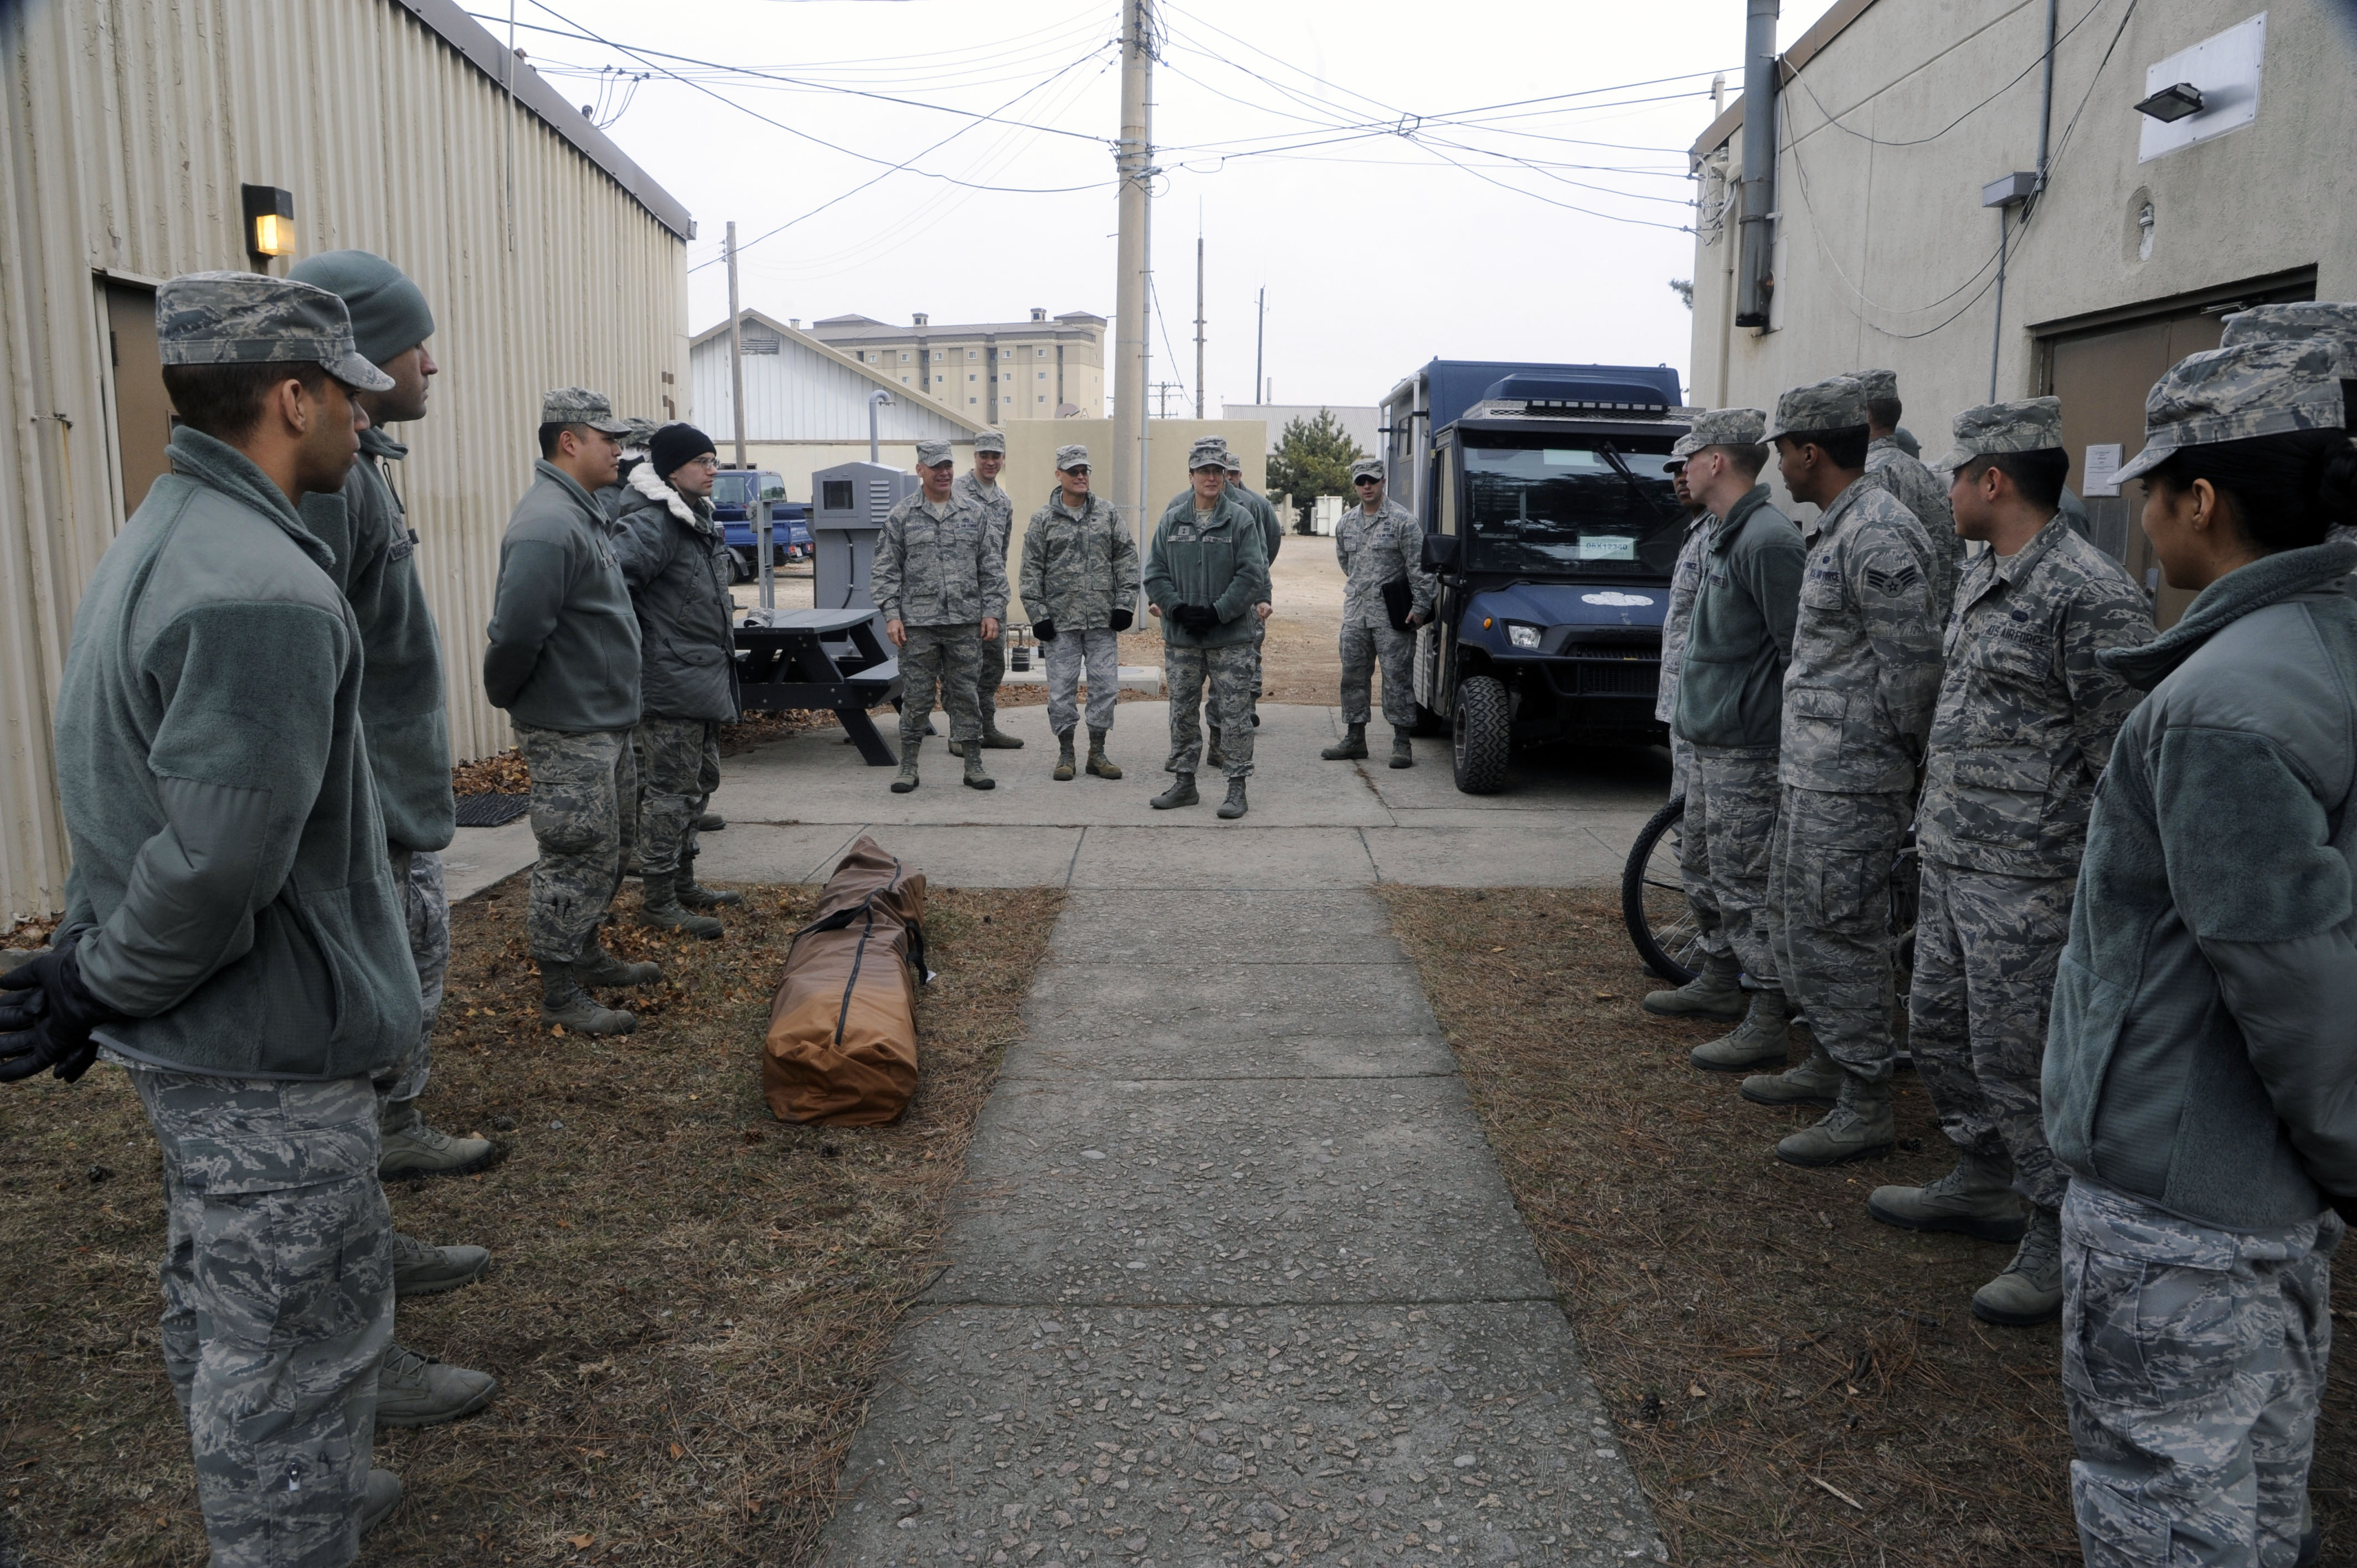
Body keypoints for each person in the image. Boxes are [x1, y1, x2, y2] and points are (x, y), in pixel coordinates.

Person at [1, 271, 418, 1561]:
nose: (367, 417)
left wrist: (93, 968)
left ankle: (293, 1491)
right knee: (290, 1350)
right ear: (293, 398)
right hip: (263, 1049)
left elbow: (129, 791)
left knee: (227, 1310)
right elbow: (215, 859)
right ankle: (289, 1517)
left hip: (206, 1036)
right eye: (349, 394)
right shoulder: (260, 589)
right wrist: (100, 977)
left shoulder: (173, 530)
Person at [2042, 338, 2357, 1568]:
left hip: (2183, 1192)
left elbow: (2287, 970)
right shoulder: (2318, 653)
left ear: (2203, 500)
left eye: (2151, 493)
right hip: (2266, 1186)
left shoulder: (2227, 698)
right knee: (2258, 1488)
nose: (2143, 520)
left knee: (2166, 1503)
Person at [1866, 397, 2151, 1328]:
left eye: (1955, 473)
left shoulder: (2089, 591)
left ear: (1994, 480)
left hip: (2032, 881)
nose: (1942, 487)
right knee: (1941, 1030)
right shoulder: (1981, 570)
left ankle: (2053, 1222)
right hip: (1954, 856)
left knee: (2018, 1057)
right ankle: (1983, 1177)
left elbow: (2121, 756)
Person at [283, 251, 500, 1436]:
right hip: (357, 833)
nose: (432, 362)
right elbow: (312, 684)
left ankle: (378, 1224)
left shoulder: (360, 466)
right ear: (361, 352)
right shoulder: (323, 482)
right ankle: (359, 1348)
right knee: (346, 1078)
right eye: (415, 343)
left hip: (395, 821)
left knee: (384, 1059)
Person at [1742, 375, 1942, 1166]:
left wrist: (1891, 759)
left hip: (1854, 780)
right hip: (1814, 772)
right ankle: (1829, 1061)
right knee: (1801, 923)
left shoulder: (1878, 532)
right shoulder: (1840, 524)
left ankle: (1865, 1101)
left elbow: (1914, 667)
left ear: (1811, 451)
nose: (1779, 466)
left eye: (1783, 451)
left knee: (1845, 932)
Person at [485, 389, 662, 1035]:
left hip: (603, 722)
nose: (619, 450)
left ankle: (584, 952)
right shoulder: (547, 525)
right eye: (606, 438)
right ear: (569, 441)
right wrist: (512, 696)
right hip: (569, 726)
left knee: (610, 848)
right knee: (575, 853)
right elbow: (515, 634)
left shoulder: (581, 513)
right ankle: (559, 990)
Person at [1654, 411, 1807, 1065]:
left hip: (1747, 748)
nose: (1679, 471)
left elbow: (1791, 653)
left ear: (1716, 462)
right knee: (1702, 869)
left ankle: (1767, 1014)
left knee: (1747, 886)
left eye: (1688, 458)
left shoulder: (1767, 540)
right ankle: (1718, 980)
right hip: (1710, 742)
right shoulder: (1721, 532)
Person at [614, 422, 743, 939]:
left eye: (715, 461)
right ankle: (659, 899)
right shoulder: (652, 523)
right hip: (670, 683)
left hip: (703, 676)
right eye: (703, 461)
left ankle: (685, 881)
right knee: (669, 794)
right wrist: (649, 648)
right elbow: (611, 590)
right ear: (672, 469)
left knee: (698, 784)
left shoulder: (696, 516)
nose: (713, 470)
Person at [1640, 441, 1737, 1021]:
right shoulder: (1698, 529)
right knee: (1688, 836)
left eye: (1685, 467)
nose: (1678, 478)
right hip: (1685, 707)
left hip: (1710, 713)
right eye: (1671, 470)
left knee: (1709, 843)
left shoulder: (1731, 532)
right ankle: (1704, 951)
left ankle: (1721, 960)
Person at [873, 439, 1007, 793]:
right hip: (918, 626)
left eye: (948, 466)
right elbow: (886, 570)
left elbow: (991, 568)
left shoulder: (974, 514)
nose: (944, 473)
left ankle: (974, 764)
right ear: (921, 470)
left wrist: (992, 611)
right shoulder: (902, 516)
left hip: (965, 623)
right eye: (936, 467)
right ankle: (908, 766)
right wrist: (891, 614)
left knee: (966, 695)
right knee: (916, 698)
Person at [1145, 448, 1270, 818]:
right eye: (1204, 471)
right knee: (1182, 711)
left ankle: (1236, 788)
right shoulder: (1171, 522)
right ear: (1191, 476)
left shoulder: (1241, 521)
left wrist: (1218, 612)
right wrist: (1177, 609)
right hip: (1183, 637)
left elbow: (1253, 575)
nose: (1211, 477)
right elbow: (1154, 573)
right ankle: (1185, 783)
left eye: (1218, 471)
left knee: (1235, 714)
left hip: (1230, 638)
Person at [1020, 442, 1138, 781]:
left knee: (1105, 688)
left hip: (1103, 621)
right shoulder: (1043, 519)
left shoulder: (1108, 513)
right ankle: (1066, 753)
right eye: (1073, 471)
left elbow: (1127, 560)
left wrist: (1124, 605)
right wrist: (1038, 615)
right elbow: (1031, 571)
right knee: (1061, 691)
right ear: (1059, 475)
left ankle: (1097, 753)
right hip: (1060, 623)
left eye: (1085, 470)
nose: (1081, 476)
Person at [1321, 456, 1433, 768]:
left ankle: (1401, 743)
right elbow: (1347, 564)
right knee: (1353, 676)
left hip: (1393, 615)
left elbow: (1419, 567)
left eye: (1372, 480)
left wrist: (1421, 606)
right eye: (1360, 481)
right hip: (1357, 614)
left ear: (1383, 481)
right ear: (1355, 485)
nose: (1366, 486)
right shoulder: (1346, 523)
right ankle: (1355, 738)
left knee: (1397, 677)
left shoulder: (1402, 521)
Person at [1857, 368, 1963, 618]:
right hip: (1936, 626)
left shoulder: (1865, 476)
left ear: (1866, 415)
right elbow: (1955, 556)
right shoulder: (1926, 475)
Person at [954, 429, 1025, 752]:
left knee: (993, 664)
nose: (990, 462)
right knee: (961, 667)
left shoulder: (1003, 501)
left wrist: (995, 595)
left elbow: (1002, 551)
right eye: (985, 455)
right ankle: (960, 733)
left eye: (996, 456)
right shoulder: (955, 492)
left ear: (1003, 459)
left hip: (991, 596)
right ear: (975, 457)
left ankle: (987, 727)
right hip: (958, 597)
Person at [1225, 446, 1284, 716]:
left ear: (1241, 474)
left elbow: (1268, 545)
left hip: (1249, 589)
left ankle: (1249, 705)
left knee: (1251, 650)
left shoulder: (1256, 504)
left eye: (1234, 474)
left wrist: (1259, 586)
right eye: (1225, 473)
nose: (1229, 479)